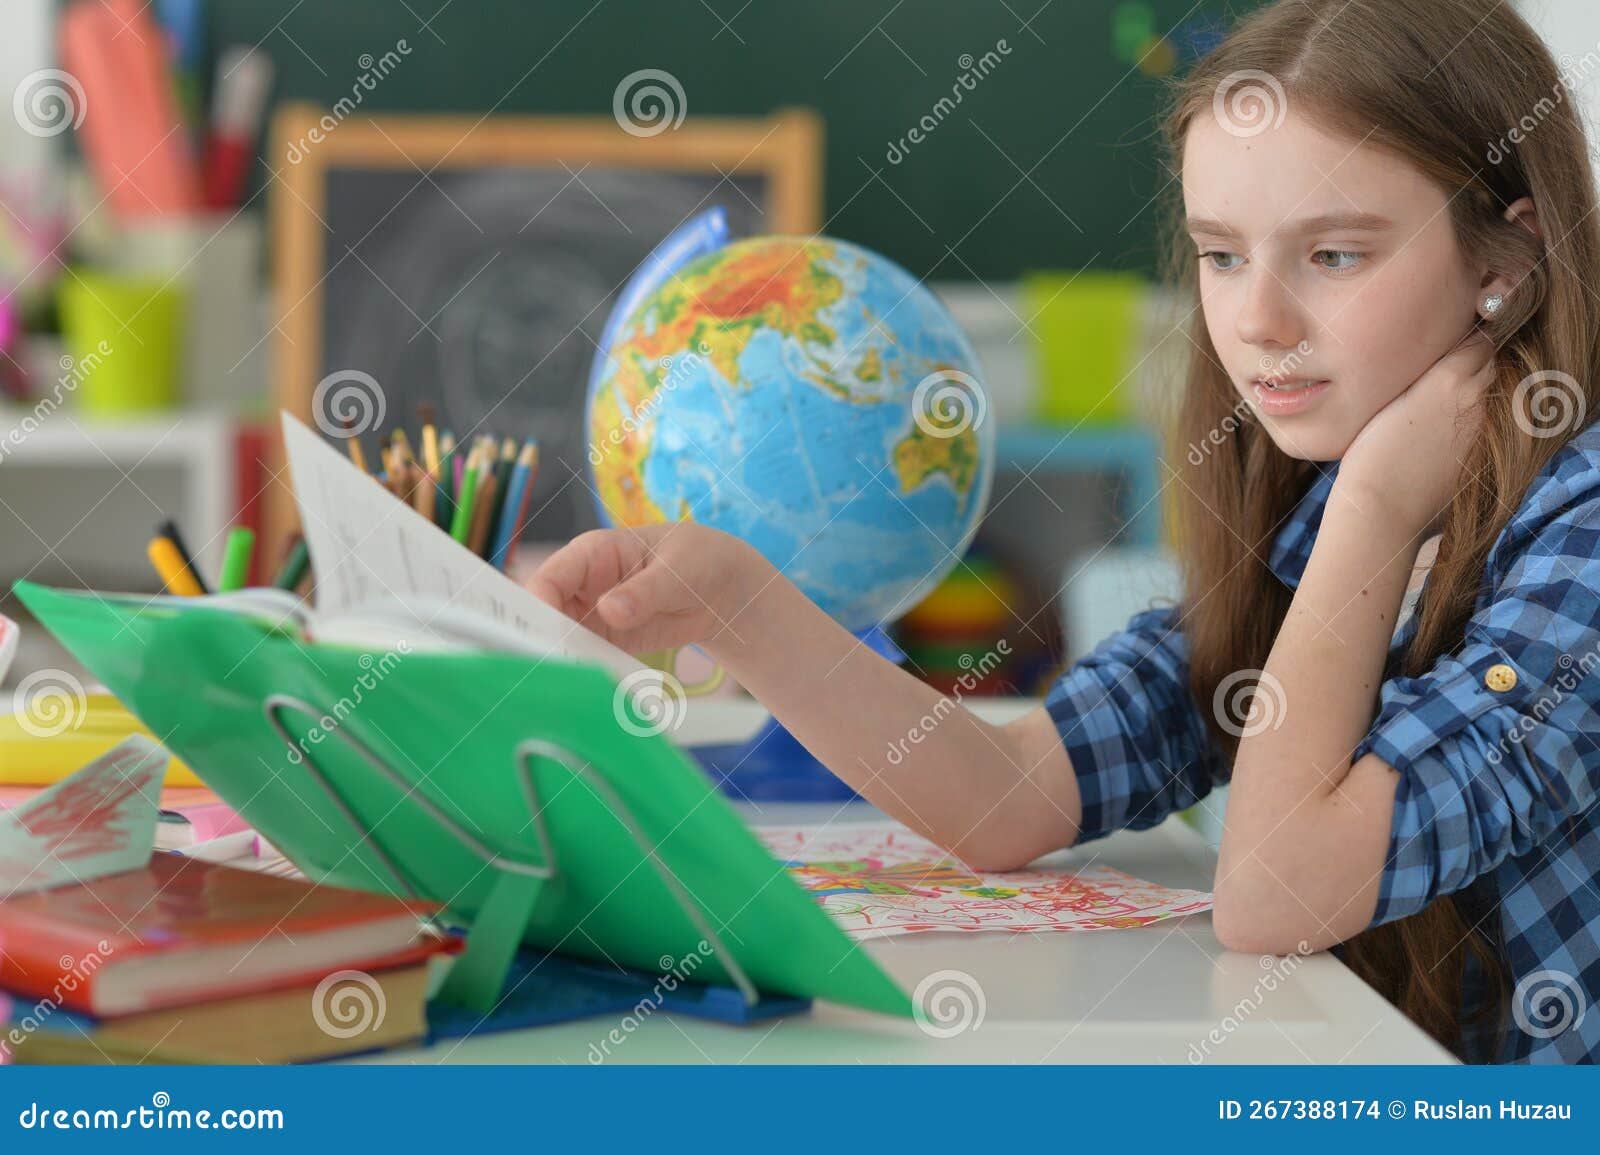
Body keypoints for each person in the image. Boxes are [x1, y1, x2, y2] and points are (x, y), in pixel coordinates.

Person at [530, 0, 1600, 1063]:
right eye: (1221, 256)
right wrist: (737, 600)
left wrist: (1372, 511)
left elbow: (1274, 895)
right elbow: (1012, 796)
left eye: (1334, 255)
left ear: (1503, 259)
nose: (1257, 319)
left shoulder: (1568, 533)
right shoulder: (1324, 506)